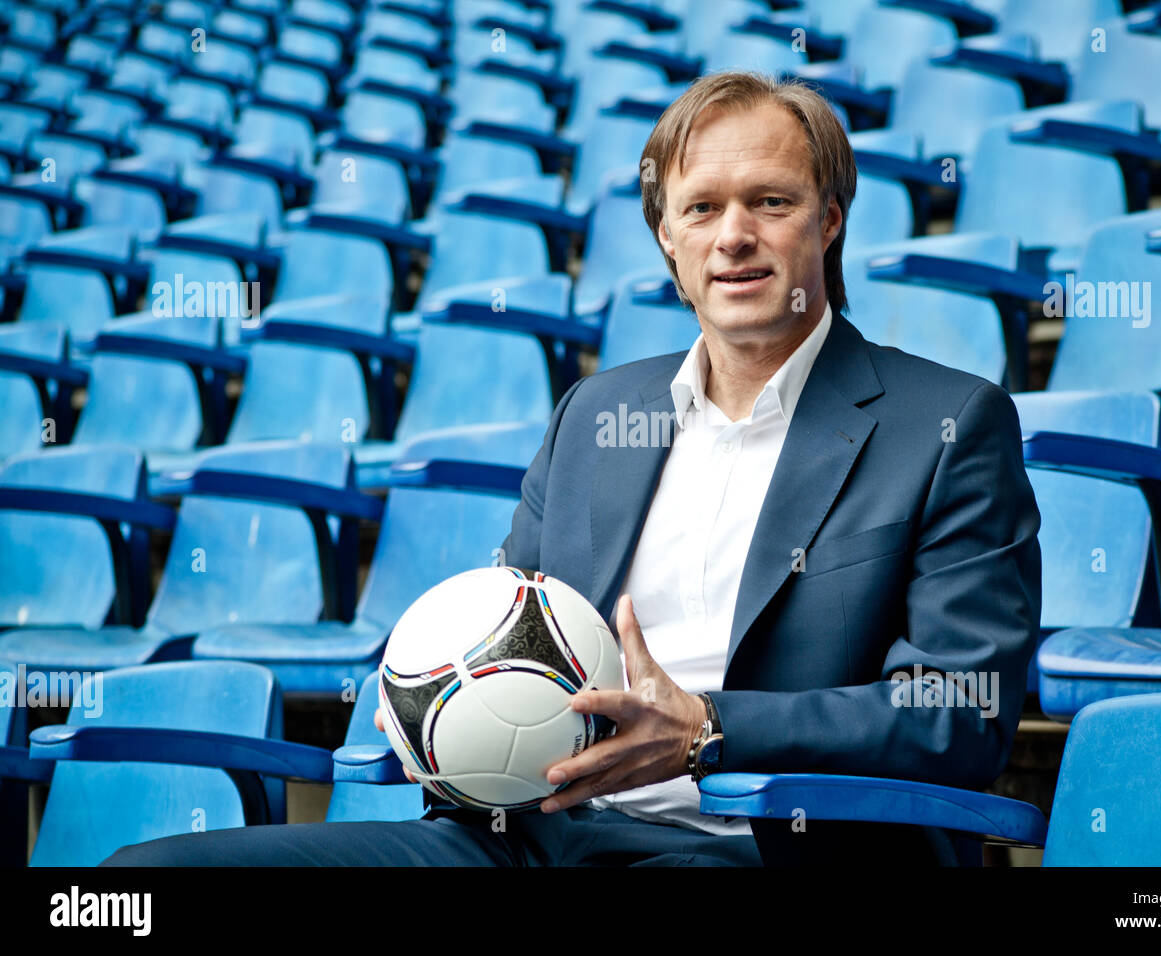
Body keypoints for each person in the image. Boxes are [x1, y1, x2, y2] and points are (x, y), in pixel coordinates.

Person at [102, 71, 1041, 867]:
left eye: (772, 201)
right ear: (668, 243)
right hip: (531, 830)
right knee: (135, 882)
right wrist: (433, 699)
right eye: (701, 209)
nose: (734, 237)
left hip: (755, 849)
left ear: (829, 223)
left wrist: (710, 730)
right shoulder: (599, 413)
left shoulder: (949, 424)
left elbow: (958, 713)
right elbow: (510, 623)